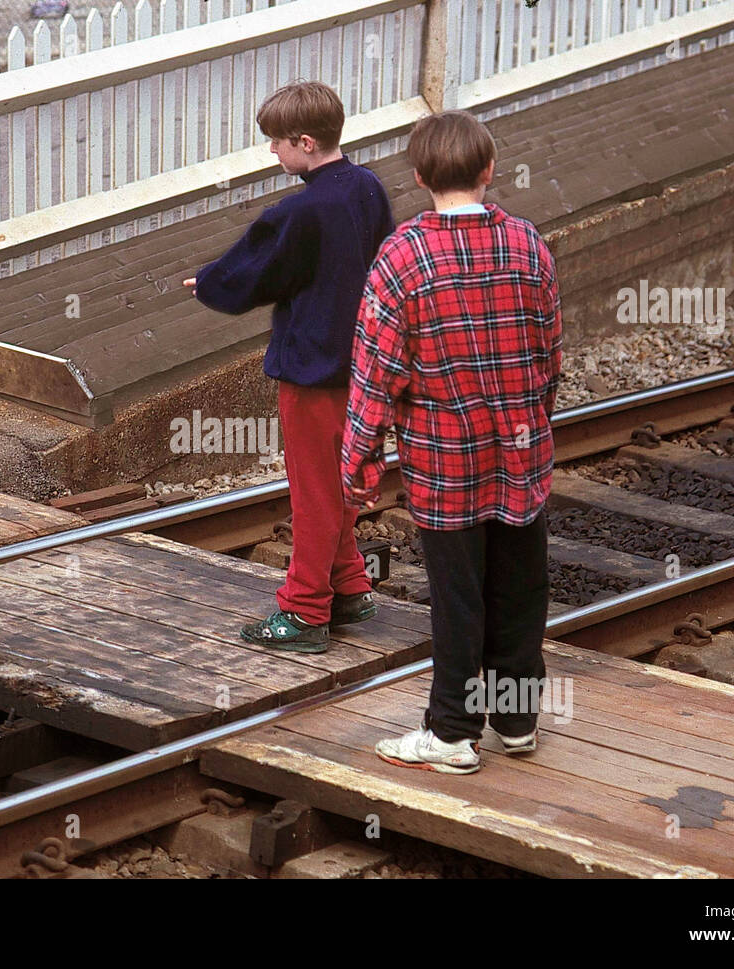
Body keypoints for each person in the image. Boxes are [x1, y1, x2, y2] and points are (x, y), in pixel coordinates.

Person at [342, 110, 563, 772]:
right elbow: (549, 353)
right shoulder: (528, 244)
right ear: (489, 170)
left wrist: (358, 463)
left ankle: (453, 733)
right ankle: (517, 720)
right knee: (521, 588)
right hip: (521, 455)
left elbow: (375, 374)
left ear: (419, 178)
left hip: (444, 463)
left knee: (458, 596)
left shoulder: (402, 257)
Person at [184, 81, 396, 652]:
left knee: (313, 489)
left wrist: (207, 282)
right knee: (342, 477)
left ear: (304, 142)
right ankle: (350, 587)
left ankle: (304, 611)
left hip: (312, 369)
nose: (273, 153)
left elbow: (259, 271)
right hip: (362, 365)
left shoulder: (300, 210)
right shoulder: (369, 189)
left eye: (277, 143)